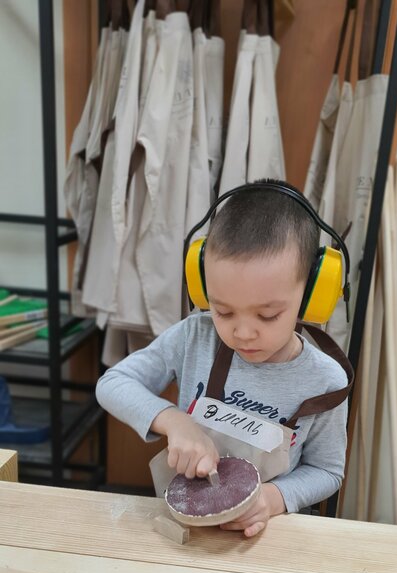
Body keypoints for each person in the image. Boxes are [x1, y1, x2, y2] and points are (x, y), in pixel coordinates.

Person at [96, 182, 349, 537]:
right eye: (223, 311)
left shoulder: (325, 381)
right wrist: (175, 422)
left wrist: (273, 499)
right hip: (186, 530)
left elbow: (327, 472)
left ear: (310, 296)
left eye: (268, 315)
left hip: (267, 534)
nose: (242, 333)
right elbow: (112, 384)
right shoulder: (194, 337)